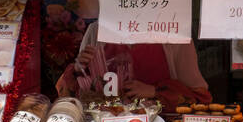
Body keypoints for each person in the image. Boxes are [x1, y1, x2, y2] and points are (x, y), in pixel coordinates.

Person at [60, 21, 213, 103]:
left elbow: (198, 99)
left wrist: (154, 92)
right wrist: (78, 70)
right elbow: (73, 97)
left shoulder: (174, 34)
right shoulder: (96, 31)